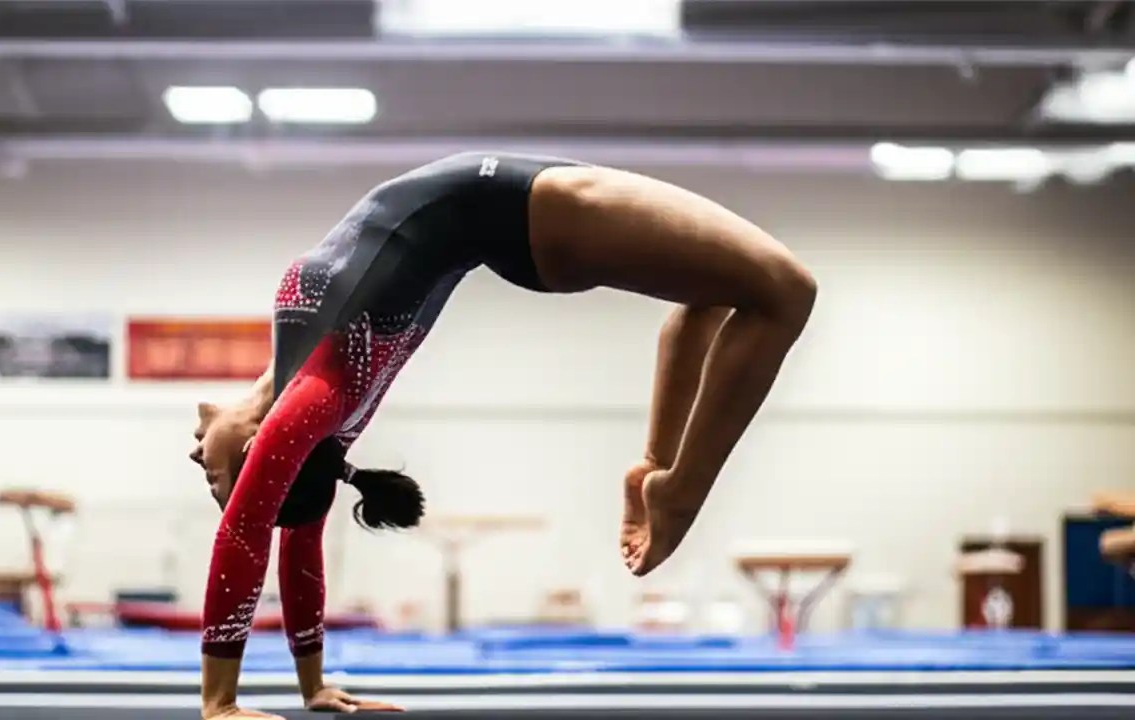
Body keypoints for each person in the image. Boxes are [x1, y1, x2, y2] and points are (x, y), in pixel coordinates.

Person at [191, 152, 817, 719]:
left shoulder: (299, 377)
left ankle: (655, 468)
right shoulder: (316, 399)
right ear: (256, 451)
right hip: (535, 211)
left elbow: (300, 543)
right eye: (212, 474)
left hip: (523, 201)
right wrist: (219, 702)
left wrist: (314, 687)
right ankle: (678, 491)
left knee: (713, 293)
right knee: (785, 292)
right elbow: (250, 528)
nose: (195, 450)